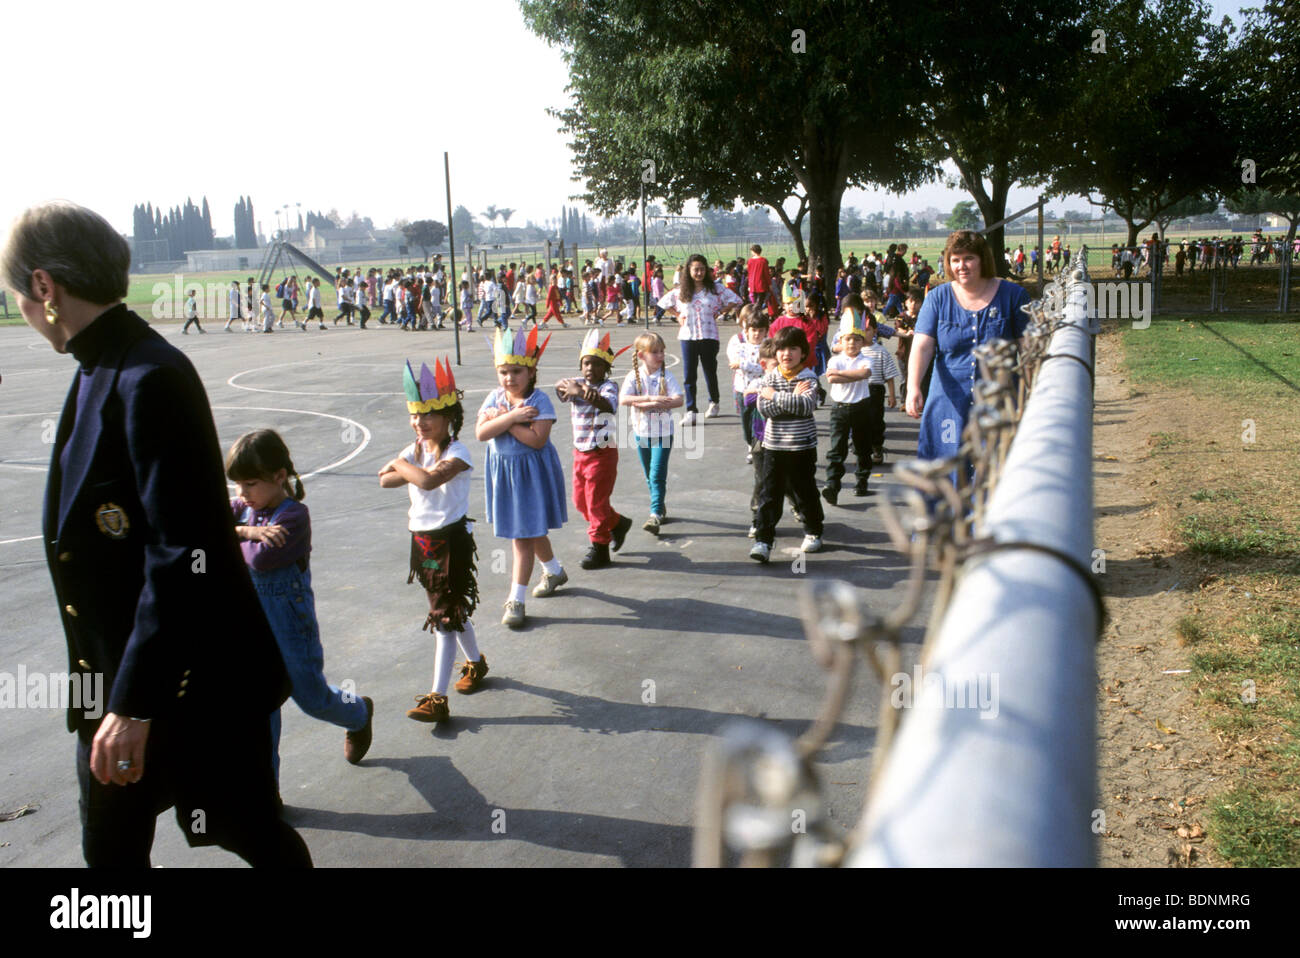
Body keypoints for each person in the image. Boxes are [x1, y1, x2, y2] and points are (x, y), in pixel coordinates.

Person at [6, 201, 310, 867]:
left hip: (182, 687)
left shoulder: (148, 376)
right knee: (112, 857)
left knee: (249, 832)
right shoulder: (98, 367)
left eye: (20, 298)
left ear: (44, 288)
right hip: (117, 685)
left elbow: (184, 554)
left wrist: (136, 706)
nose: (25, 315)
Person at [226, 430, 373, 781]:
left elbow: (261, 559)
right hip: (252, 619)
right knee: (261, 703)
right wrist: (246, 532)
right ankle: (267, 791)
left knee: (311, 697)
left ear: (279, 477)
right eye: (237, 486)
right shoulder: (245, 510)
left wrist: (237, 537)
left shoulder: (293, 516)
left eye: (250, 484)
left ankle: (358, 713)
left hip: (288, 619)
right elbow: (204, 521)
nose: (242, 495)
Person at [379, 360, 486, 724]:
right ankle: (476, 662)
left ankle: (437, 698)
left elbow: (423, 481)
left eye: (429, 416)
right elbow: (385, 480)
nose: (420, 423)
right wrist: (405, 465)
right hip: (422, 543)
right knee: (449, 610)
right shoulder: (417, 451)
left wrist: (399, 461)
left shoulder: (458, 453)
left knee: (441, 618)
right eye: (415, 416)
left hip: (451, 543)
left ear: (448, 417)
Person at [906, 230, 1030, 462]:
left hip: (998, 402)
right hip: (948, 404)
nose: (961, 265)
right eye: (955, 259)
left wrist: (1032, 393)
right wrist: (913, 387)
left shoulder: (1014, 296)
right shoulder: (937, 298)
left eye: (969, 258)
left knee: (994, 468)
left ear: (982, 259)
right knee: (947, 468)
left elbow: (1028, 349)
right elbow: (922, 346)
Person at [475, 327, 568, 628]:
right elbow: (480, 433)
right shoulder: (493, 397)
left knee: (522, 535)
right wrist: (512, 417)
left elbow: (537, 439)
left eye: (516, 371)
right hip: (505, 475)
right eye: (503, 371)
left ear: (531, 371)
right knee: (529, 528)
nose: (509, 378)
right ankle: (553, 570)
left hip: (531, 475)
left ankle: (516, 599)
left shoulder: (540, 401)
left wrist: (507, 421)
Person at [555, 331, 632, 568]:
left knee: (596, 503)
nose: (590, 368)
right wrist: (566, 387)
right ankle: (617, 523)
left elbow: (606, 405)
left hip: (602, 453)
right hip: (581, 452)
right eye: (587, 363)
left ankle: (600, 548)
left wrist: (583, 393)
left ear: (606, 368)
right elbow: (561, 389)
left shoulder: (609, 386)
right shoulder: (576, 384)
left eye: (597, 364)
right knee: (580, 502)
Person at [750, 326, 824, 562]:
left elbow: (806, 407)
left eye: (793, 348)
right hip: (774, 446)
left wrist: (776, 396)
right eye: (782, 349)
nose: (786, 354)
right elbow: (764, 409)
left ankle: (813, 531)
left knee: (805, 492)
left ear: (803, 352)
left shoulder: (808, 377)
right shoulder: (770, 378)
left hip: (802, 446)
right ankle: (763, 540)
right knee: (769, 494)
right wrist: (789, 398)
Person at [657, 254, 742, 425]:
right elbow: (662, 302)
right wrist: (677, 315)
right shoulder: (681, 291)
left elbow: (736, 300)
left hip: (709, 336)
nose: (699, 273)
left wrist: (722, 311)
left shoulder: (715, 289)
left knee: (709, 372)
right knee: (689, 375)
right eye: (695, 269)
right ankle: (691, 410)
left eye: (702, 269)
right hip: (688, 337)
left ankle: (714, 402)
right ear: (688, 271)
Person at [620, 331, 683, 535]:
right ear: (641, 355)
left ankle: (655, 513)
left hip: (663, 433)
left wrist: (661, 403)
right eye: (655, 352)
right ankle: (660, 505)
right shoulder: (634, 376)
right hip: (641, 432)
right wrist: (649, 400)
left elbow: (679, 399)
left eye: (662, 351)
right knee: (649, 475)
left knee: (656, 473)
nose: (660, 356)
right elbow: (623, 399)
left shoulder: (667, 376)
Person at [822, 310, 875, 505]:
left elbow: (864, 374)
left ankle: (862, 480)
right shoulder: (835, 360)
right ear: (841, 341)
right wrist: (847, 373)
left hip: (861, 407)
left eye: (856, 339)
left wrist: (842, 374)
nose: (852, 343)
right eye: (848, 339)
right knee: (837, 449)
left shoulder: (866, 359)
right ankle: (832, 485)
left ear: (863, 342)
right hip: (840, 410)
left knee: (862, 447)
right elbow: (831, 377)